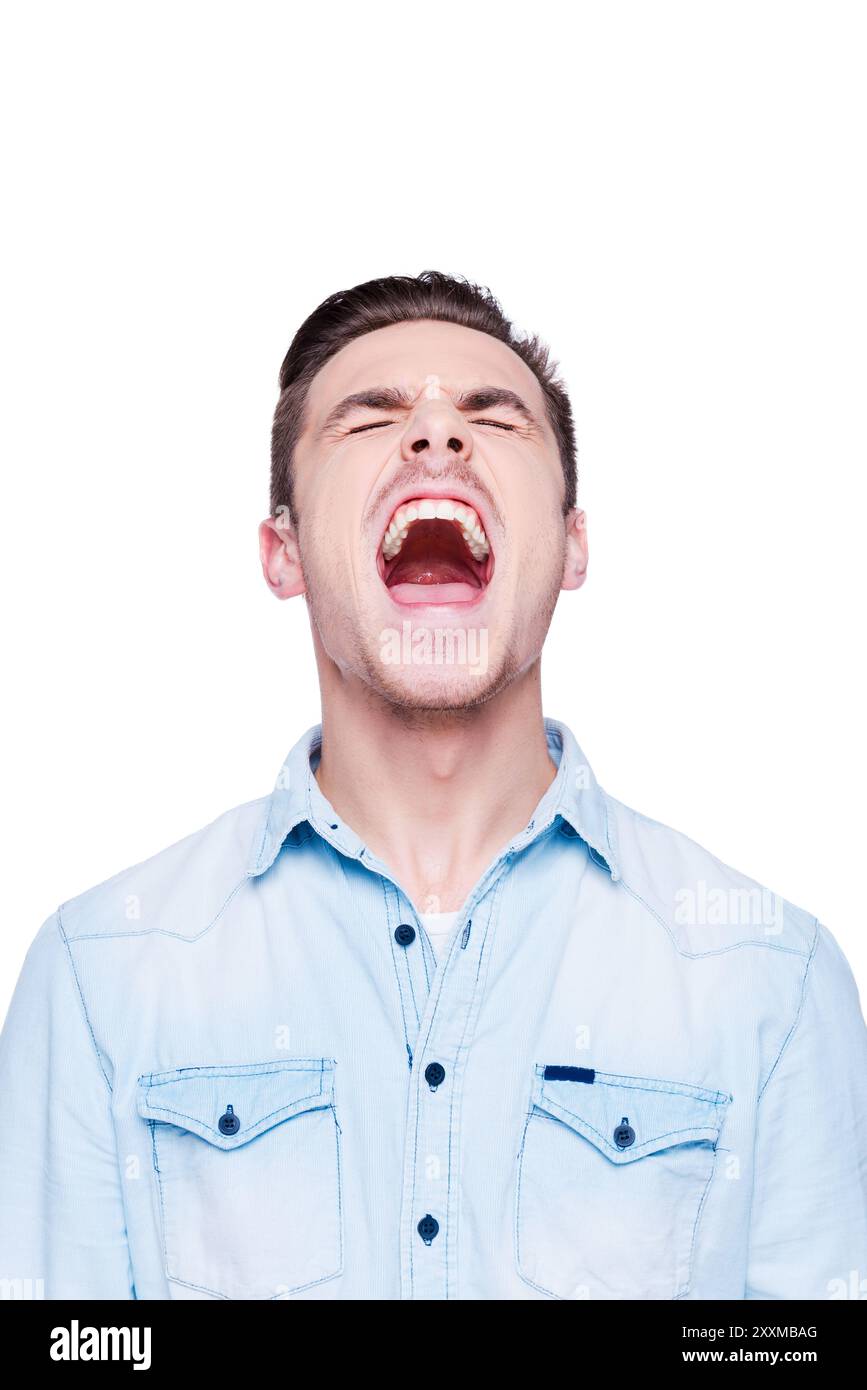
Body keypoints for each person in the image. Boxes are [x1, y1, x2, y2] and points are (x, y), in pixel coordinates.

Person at [1, 271, 865, 1302]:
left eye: (494, 417)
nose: (437, 437)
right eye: (370, 418)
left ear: (573, 544)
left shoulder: (773, 978)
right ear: (283, 555)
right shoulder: (100, 977)